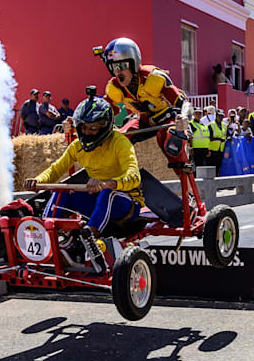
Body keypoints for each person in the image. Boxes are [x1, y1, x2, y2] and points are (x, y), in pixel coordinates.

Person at [23, 95, 144, 268]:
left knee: (106, 194)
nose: (87, 132)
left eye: (93, 128)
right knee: (61, 189)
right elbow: (56, 169)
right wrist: (38, 180)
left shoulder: (120, 142)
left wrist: (108, 183)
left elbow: (134, 176)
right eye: (84, 127)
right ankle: (47, 242)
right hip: (97, 201)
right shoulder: (77, 146)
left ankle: (87, 242)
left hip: (126, 203)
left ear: (105, 126)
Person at [100, 38, 190, 168]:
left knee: (171, 137)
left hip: (166, 118)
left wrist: (184, 117)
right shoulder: (114, 87)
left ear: (134, 64)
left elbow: (184, 104)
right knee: (120, 137)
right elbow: (105, 111)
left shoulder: (154, 78)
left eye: (123, 66)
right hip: (143, 120)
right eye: (114, 67)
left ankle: (183, 173)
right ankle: (122, 175)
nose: (119, 72)